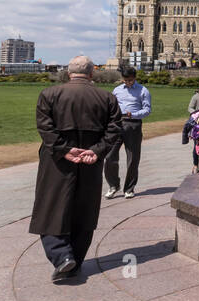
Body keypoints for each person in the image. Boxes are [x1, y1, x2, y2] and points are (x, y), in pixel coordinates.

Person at [29, 56, 123, 281]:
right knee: (85, 208)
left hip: (58, 161)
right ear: (92, 74)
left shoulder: (49, 94)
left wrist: (64, 150)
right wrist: (96, 151)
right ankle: (75, 260)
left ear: (68, 72)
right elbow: (114, 129)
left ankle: (62, 256)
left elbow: (45, 127)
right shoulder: (106, 97)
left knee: (51, 206)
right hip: (90, 160)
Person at [104, 66, 151, 200]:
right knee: (109, 156)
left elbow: (147, 110)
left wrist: (134, 114)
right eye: (125, 80)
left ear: (134, 78)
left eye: (130, 80)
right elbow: (111, 107)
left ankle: (129, 188)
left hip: (133, 124)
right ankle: (113, 185)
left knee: (132, 158)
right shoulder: (117, 90)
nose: (127, 83)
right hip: (117, 124)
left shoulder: (143, 91)